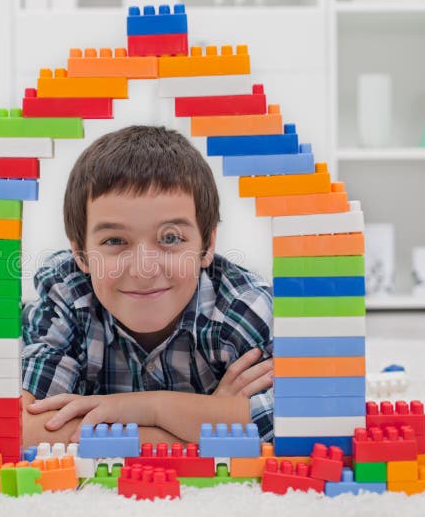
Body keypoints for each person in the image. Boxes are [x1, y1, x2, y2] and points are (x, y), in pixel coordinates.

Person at [21, 125, 273, 447]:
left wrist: (149, 407)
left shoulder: (242, 309)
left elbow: (289, 427)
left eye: (170, 238)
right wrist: (210, 422)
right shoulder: (69, 294)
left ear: (207, 246)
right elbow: (25, 429)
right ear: (81, 255)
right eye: (115, 241)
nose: (144, 269)